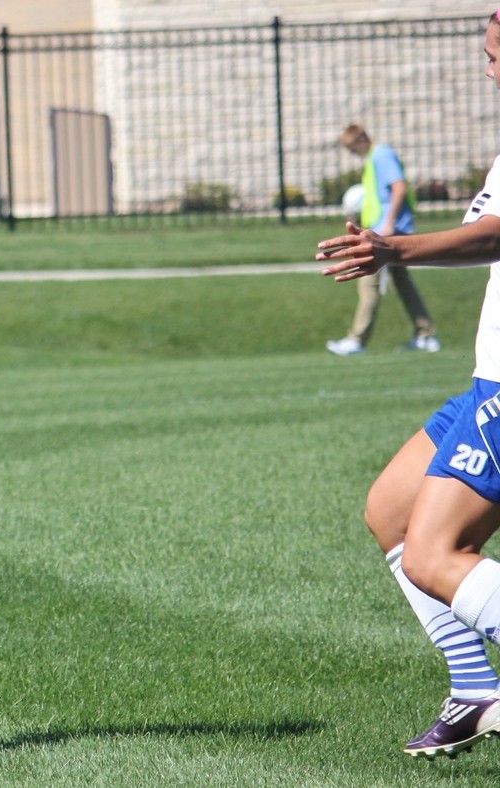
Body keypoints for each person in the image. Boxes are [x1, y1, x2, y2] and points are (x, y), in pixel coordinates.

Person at [314, 9, 500, 758]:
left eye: (495, 55)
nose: (488, 70)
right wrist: (400, 254)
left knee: (433, 553)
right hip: (487, 381)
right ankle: (478, 689)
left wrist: (397, 244)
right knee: (390, 510)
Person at [326, 123, 441, 356]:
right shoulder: (374, 158)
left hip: (388, 231)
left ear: (359, 141)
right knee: (402, 282)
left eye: (350, 148)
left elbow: (398, 188)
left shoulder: (381, 154)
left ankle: (357, 339)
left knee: (368, 280)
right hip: (384, 229)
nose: (352, 154)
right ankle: (426, 334)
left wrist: (388, 223)